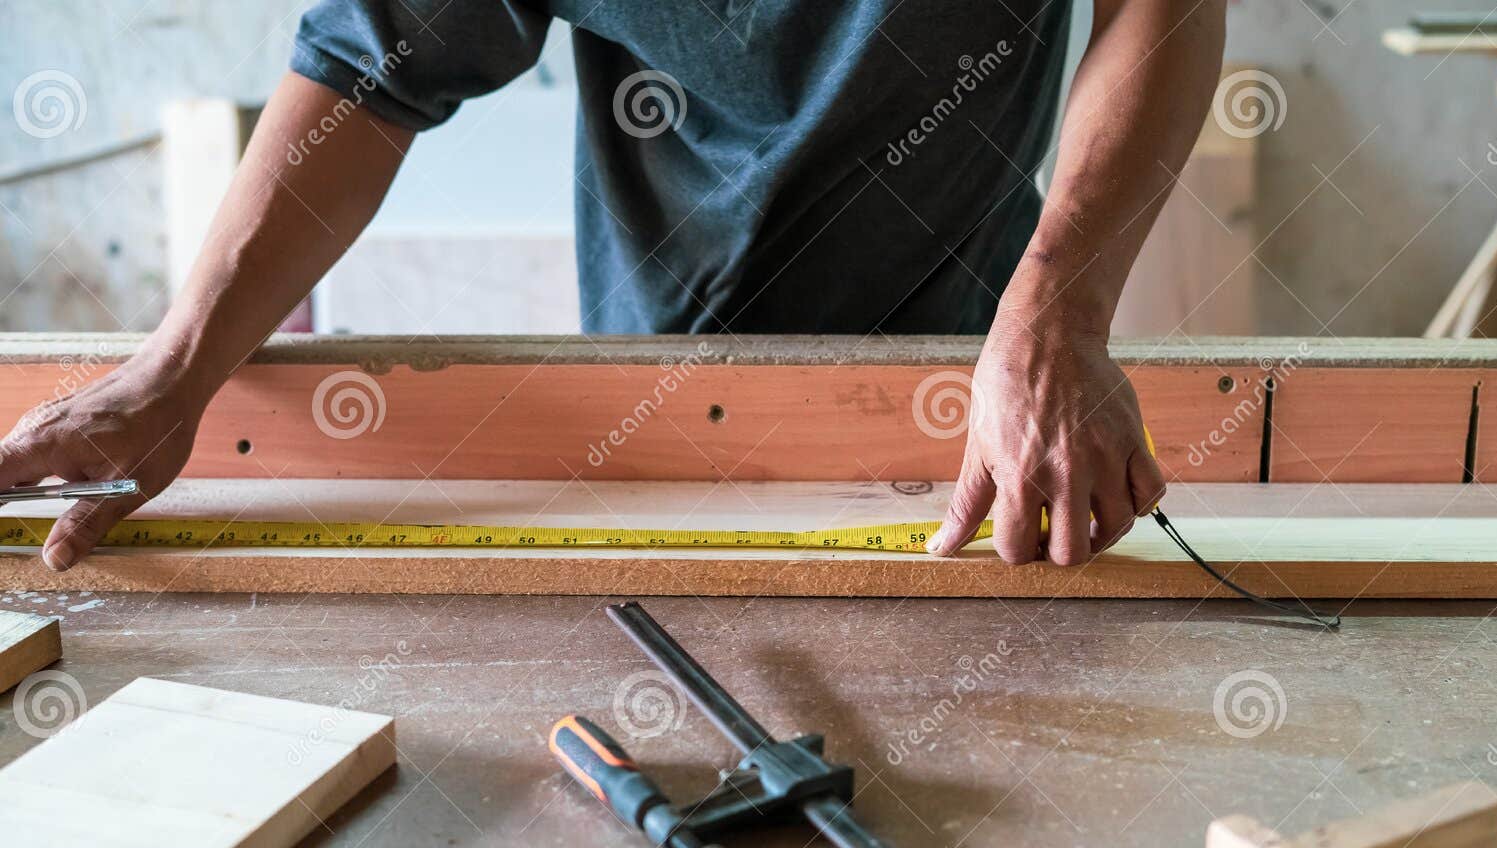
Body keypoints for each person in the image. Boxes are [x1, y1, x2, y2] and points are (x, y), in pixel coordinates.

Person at [0, 0, 1223, 572]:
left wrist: (1058, 309)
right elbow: (367, 81)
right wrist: (174, 370)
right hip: (655, 402)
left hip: (964, 392)